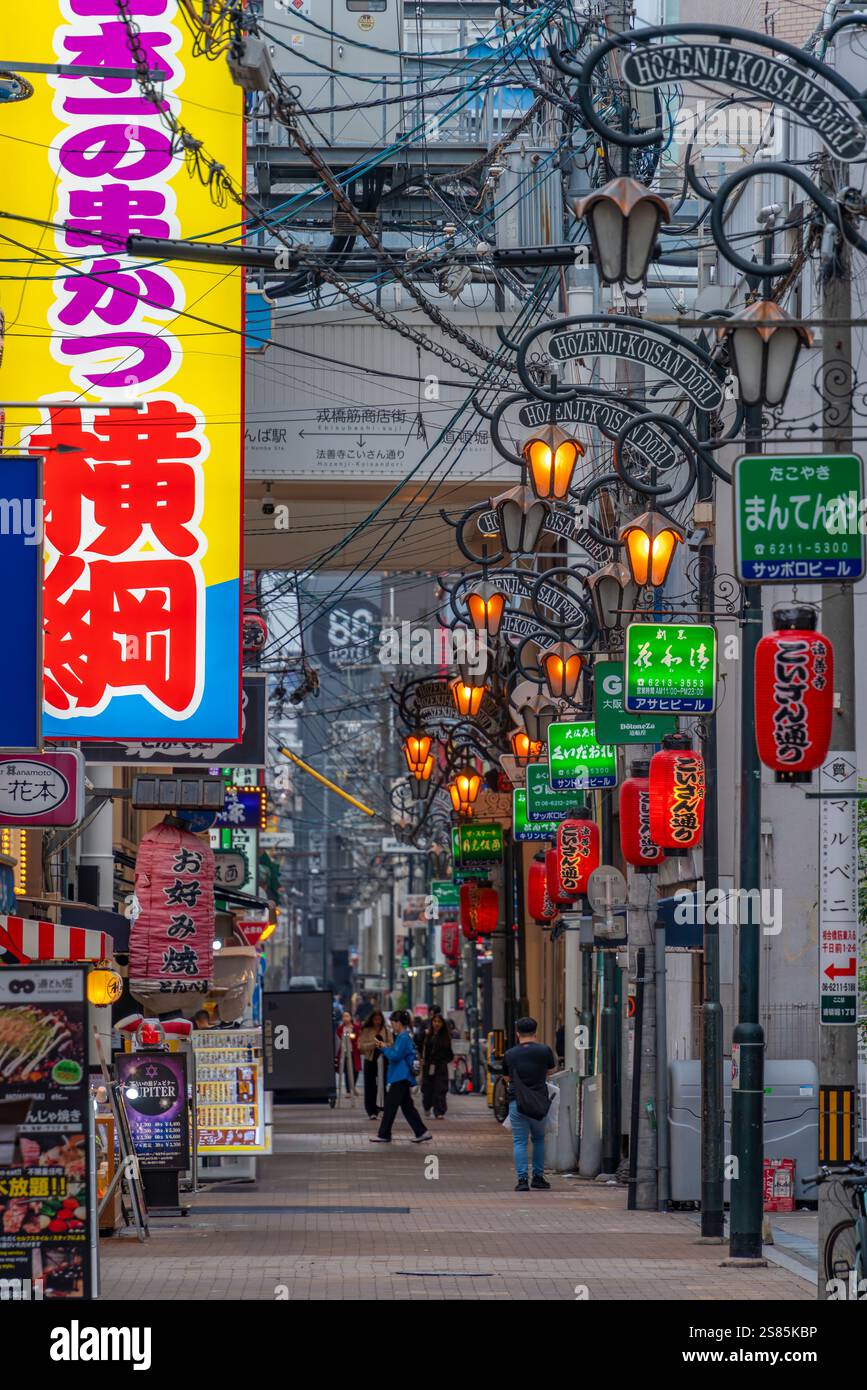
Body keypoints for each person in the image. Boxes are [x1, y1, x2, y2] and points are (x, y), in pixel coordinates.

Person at [502, 1017, 556, 1192]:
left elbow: (507, 1078)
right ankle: (538, 1177)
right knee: (539, 1139)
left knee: (519, 1141)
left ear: (517, 1033)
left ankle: (522, 1179)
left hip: (517, 1102)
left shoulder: (510, 1054)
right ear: (535, 1032)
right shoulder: (544, 1051)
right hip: (539, 1102)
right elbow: (550, 1071)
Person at [370, 1009, 432, 1143]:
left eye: (393, 1022)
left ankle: (384, 1134)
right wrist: (385, 1046)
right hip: (403, 1077)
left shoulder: (403, 1037)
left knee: (390, 1107)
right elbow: (397, 1053)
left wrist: (383, 1047)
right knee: (407, 1107)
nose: (392, 1025)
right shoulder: (404, 1037)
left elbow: (395, 1055)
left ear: (398, 1023)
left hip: (400, 1077)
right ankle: (422, 1132)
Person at [358, 1008, 391, 1119]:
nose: (377, 1021)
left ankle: (383, 1108)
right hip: (370, 1061)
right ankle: (371, 1111)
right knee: (370, 1086)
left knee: (383, 1085)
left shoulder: (386, 1030)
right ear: (372, 1019)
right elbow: (361, 1046)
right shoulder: (366, 1030)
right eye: (375, 1019)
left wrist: (382, 1044)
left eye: (379, 1019)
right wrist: (373, 1044)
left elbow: (391, 1044)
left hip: (383, 1060)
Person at [421, 1011, 453, 1119]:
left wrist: (444, 1062)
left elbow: (450, 1054)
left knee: (440, 1089)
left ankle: (439, 1111)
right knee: (427, 1089)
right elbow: (421, 1048)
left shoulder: (446, 1037)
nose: (437, 1024)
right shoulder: (427, 1036)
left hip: (441, 1067)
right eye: (434, 1021)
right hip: (428, 1066)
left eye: (439, 1021)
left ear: (443, 1023)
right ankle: (427, 1107)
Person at [335, 1012, 361, 1098]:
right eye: (343, 1016)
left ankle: (353, 1086)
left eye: (347, 1016)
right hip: (344, 1052)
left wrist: (351, 1035)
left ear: (350, 1017)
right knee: (347, 1071)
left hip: (354, 1052)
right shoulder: (340, 1028)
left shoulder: (356, 1027)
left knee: (356, 1070)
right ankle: (348, 1090)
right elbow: (339, 1037)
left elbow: (357, 1036)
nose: (345, 1018)